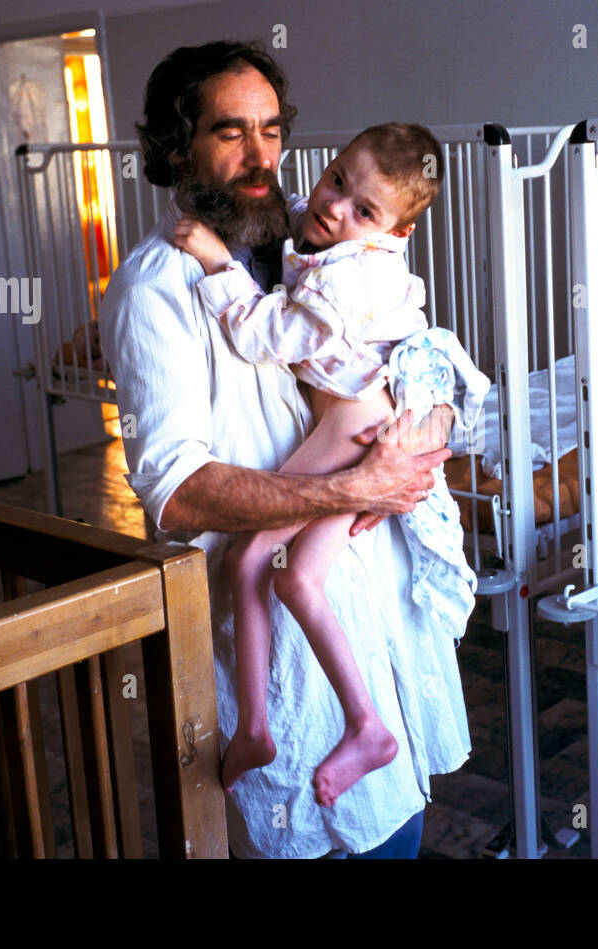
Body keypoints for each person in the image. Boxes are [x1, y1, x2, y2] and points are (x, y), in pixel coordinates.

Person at [98, 41, 471, 858]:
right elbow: (178, 494)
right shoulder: (153, 289)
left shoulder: (310, 233)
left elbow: (412, 340)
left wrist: (432, 415)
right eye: (230, 131)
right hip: (283, 638)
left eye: (271, 129)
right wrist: (355, 489)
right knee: (325, 837)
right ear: (176, 148)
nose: (260, 153)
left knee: (397, 832)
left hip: (368, 609)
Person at [173, 122, 486, 806]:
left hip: (355, 423)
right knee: (294, 578)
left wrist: (219, 267)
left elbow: (270, 336)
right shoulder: (337, 242)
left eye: (363, 209)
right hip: (362, 423)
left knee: (249, 561)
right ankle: (362, 725)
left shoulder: (353, 276)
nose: (335, 206)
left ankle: (258, 725)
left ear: (395, 233)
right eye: (336, 179)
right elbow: (300, 217)